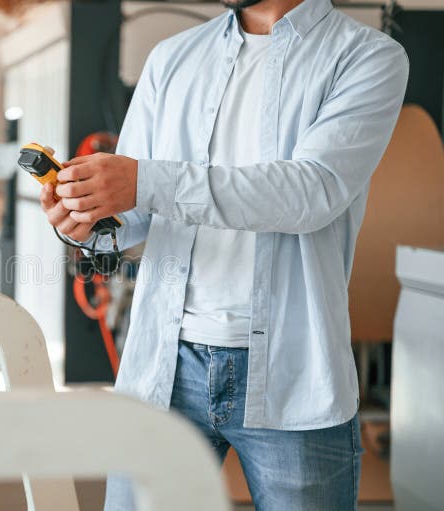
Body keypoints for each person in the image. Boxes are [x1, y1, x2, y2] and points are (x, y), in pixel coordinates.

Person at [39, 0, 408, 509]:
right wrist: (88, 221)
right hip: (164, 367)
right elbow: (135, 216)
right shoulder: (171, 58)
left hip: (293, 373)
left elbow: (310, 193)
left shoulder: (367, 56)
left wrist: (143, 180)